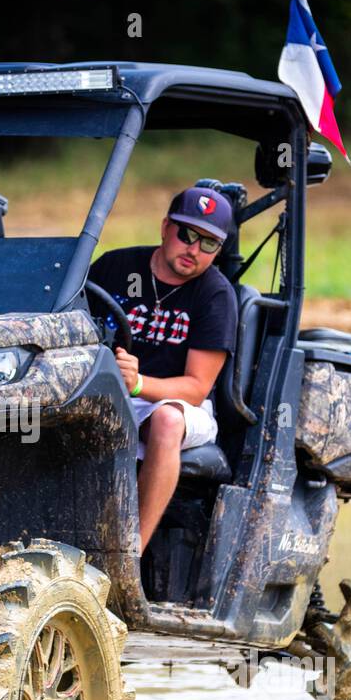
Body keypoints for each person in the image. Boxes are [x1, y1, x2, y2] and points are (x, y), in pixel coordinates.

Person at [88, 186, 238, 555]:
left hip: (175, 403)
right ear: (165, 227)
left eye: (209, 244)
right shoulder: (114, 267)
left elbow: (196, 388)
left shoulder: (215, 294)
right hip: (103, 388)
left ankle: (129, 553)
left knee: (167, 421)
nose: (194, 250)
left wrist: (138, 384)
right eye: (188, 234)